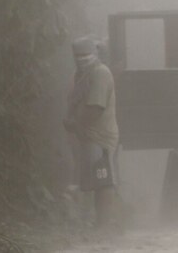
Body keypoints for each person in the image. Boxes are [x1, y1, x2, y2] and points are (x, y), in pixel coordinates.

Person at [63, 35, 120, 231]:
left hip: (100, 136)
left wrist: (74, 123)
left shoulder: (100, 73)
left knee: (103, 180)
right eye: (78, 55)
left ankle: (105, 224)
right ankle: (97, 223)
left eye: (86, 54)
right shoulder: (81, 74)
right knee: (92, 181)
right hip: (85, 136)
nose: (82, 58)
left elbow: (95, 107)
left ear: (95, 54)